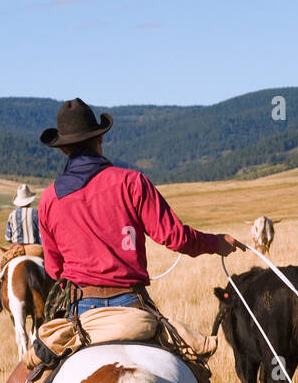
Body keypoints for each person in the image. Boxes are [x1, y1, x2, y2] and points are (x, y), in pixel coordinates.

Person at [37, 97, 240, 317]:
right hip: (132, 300)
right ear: (100, 139)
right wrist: (216, 243)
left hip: (81, 306)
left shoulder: (49, 198)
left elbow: (54, 269)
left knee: (39, 351)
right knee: (188, 348)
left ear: (64, 149)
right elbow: (176, 238)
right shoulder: (132, 182)